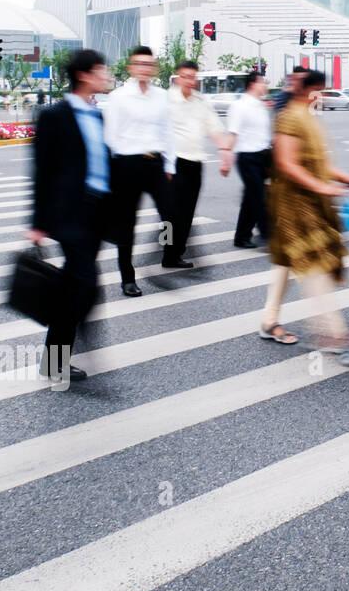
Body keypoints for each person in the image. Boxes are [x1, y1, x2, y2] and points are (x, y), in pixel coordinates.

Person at [261, 69, 349, 361]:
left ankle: (269, 320)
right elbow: (287, 163)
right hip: (295, 205)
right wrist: (323, 187)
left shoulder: (309, 117)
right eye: (321, 90)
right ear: (312, 91)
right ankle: (331, 331)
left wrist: (347, 180)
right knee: (314, 266)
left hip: (311, 202)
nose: (322, 96)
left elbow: (318, 163)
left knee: (287, 262)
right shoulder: (290, 118)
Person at [26, 49, 114, 384]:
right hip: (69, 214)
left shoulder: (98, 115)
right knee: (84, 282)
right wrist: (37, 222)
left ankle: (54, 357)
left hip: (96, 212)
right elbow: (41, 170)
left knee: (74, 286)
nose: (106, 76)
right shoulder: (54, 116)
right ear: (84, 75)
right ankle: (66, 349)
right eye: (101, 71)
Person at [102, 45, 177, 297]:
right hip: (127, 165)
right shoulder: (118, 97)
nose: (145, 68)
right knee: (127, 224)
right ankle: (127, 277)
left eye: (149, 64)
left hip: (155, 163)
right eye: (140, 64)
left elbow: (168, 132)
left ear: (154, 68)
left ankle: (165, 253)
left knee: (169, 213)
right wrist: (113, 172)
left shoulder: (162, 96)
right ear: (131, 68)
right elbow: (110, 136)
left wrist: (169, 165)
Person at [166, 61, 233, 268]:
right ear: (177, 77)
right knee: (171, 215)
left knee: (186, 213)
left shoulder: (201, 101)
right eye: (185, 76)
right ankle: (167, 252)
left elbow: (214, 128)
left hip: (195, 163)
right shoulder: (166, 100)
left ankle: (176, 254)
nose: (190, 81)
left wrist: (224, 152)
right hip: (173, 163)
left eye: (193, 76)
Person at [228, 71, 273, 249]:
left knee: (250, 199)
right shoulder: (240, 106)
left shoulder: (260, 106)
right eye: (264, 82)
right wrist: (225, 157)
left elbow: (263, 135)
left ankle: (242, 237)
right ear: (254, 84)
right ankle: (269, 235)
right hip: (247, 158)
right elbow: (233, 133)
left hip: (263, 157)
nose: (266, 86)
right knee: (260, 198)